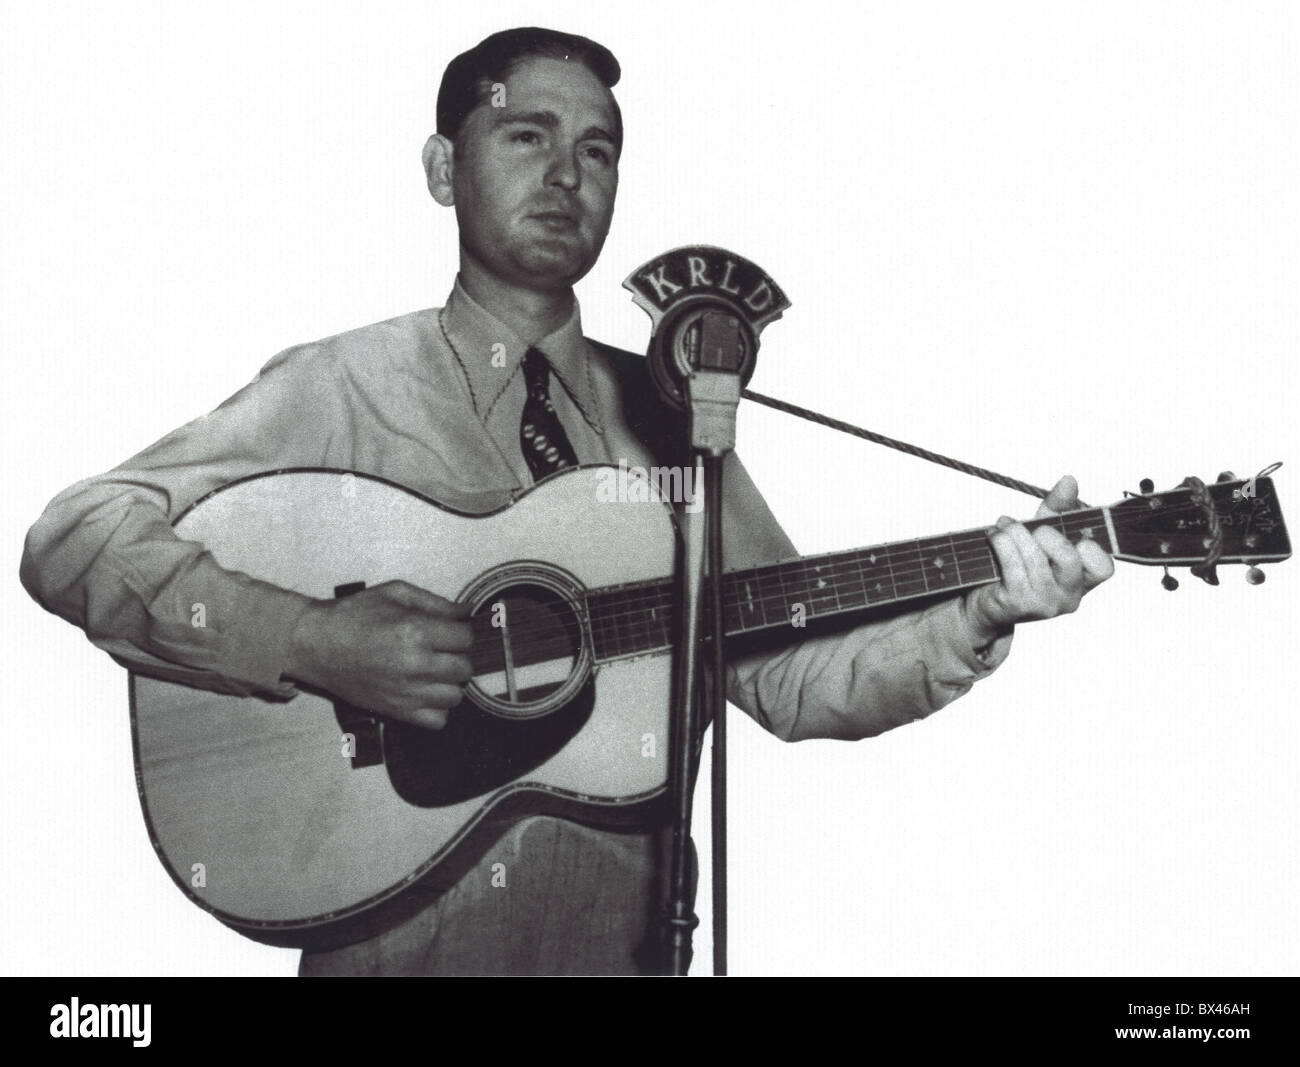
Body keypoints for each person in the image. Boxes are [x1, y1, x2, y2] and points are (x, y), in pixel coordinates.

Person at [19, 26, 1113, 975]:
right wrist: (311, 637)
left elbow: (786, 669)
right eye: (526, 135)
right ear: (445, 170)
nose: (565, 175)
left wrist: (980, 608)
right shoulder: (339, 385)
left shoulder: (673, 409)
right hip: (396, 946)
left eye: (597, 149)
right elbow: (74, 536)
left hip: (620, 942)